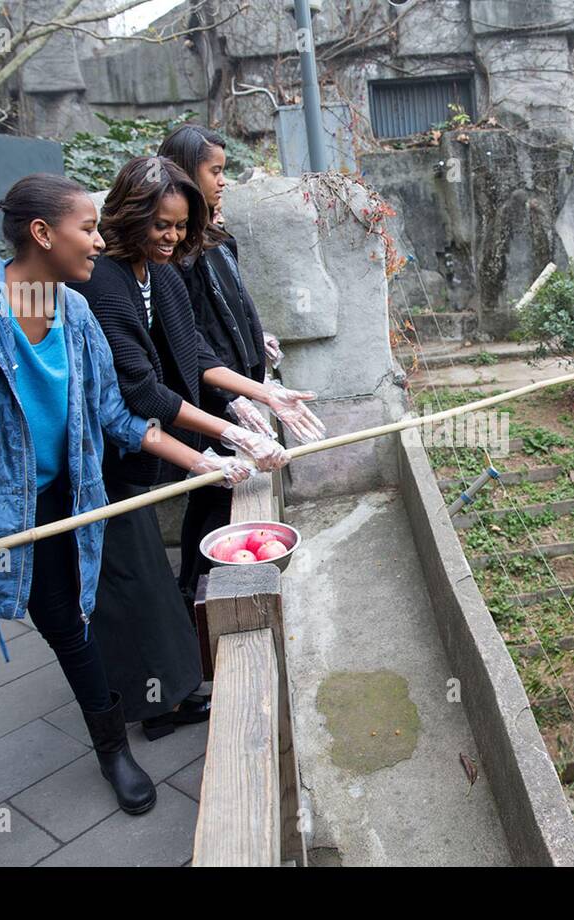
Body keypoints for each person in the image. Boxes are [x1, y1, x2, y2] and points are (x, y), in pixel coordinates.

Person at [0, 173, 249, 867]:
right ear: (42, 233)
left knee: (74, 632)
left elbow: (118, 417)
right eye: (86, 228)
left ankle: (113, 753)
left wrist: (207, 460)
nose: (99, 240)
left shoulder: (77, 313)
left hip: (48, 513)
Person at [71, 156, 307, 739]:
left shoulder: (165, 274)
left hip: (138, 442)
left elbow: (195, 356)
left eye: (180, 226)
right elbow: (141, 388)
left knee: (142, 578)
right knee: (126, 582)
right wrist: (228, 435)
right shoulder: (105, 284)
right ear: (130, 217)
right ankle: (147, 704)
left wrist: (265, 395)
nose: (173, 237)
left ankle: (163, 697)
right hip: (96, 456)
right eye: (161, 225)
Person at [157, 124, 324, 609]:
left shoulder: (214, 237)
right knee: (212, 498)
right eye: (215, 171)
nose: (223, 181)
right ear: (186, 175)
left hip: (238, 388)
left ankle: (202, 590)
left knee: (225, 499)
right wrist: (233, 397)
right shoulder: (175, 253)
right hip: (211, 402)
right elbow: (184, 343)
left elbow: (230, 309)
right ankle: (197, 593)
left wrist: (259, 342)